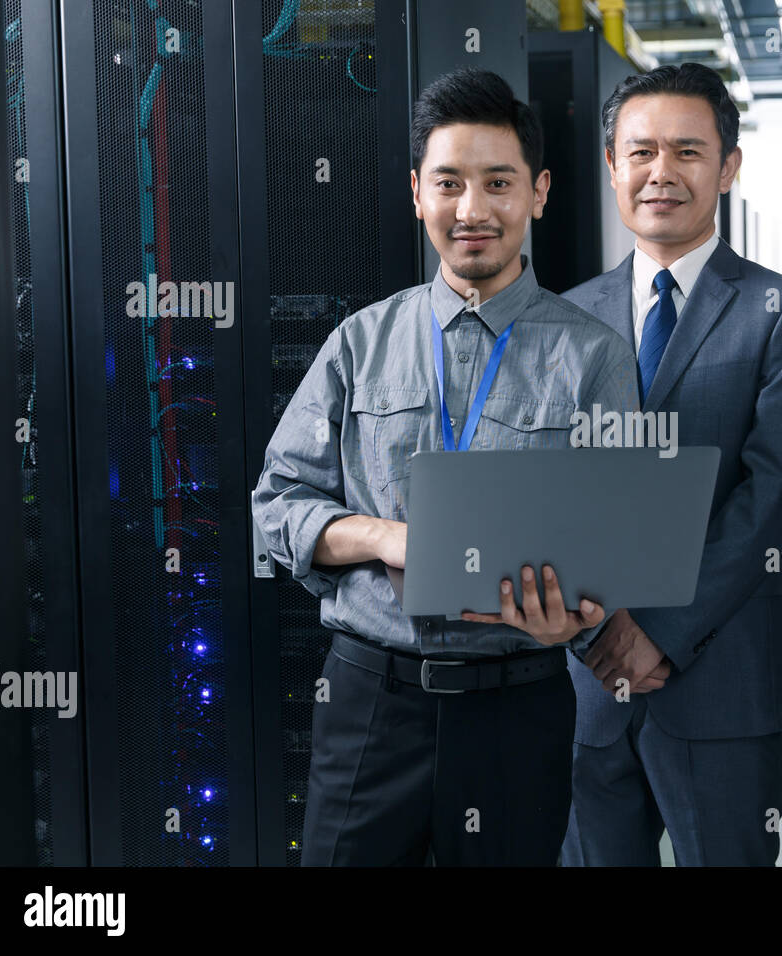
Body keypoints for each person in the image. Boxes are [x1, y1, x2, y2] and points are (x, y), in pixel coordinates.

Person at [251, 68, 639, 866]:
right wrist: (384, 538)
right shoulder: (359, 343)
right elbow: (276, 502)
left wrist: (579, 618)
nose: (473, 210)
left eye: (498, 183)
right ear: (417, 195)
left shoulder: (593, 357)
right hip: (369, 708)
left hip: (517, 707)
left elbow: (618, 535)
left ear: (538, 193)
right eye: (449, 183)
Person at [558, 63, 782, 866]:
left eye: (687, 151)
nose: (660, 173)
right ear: (612, 166)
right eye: (639, 152)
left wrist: (663, 631)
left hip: (721, 679)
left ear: (728, 166)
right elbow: (553, 493)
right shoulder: (566, 316)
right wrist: (602, 632)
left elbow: (771, 494)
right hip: (588, 682)